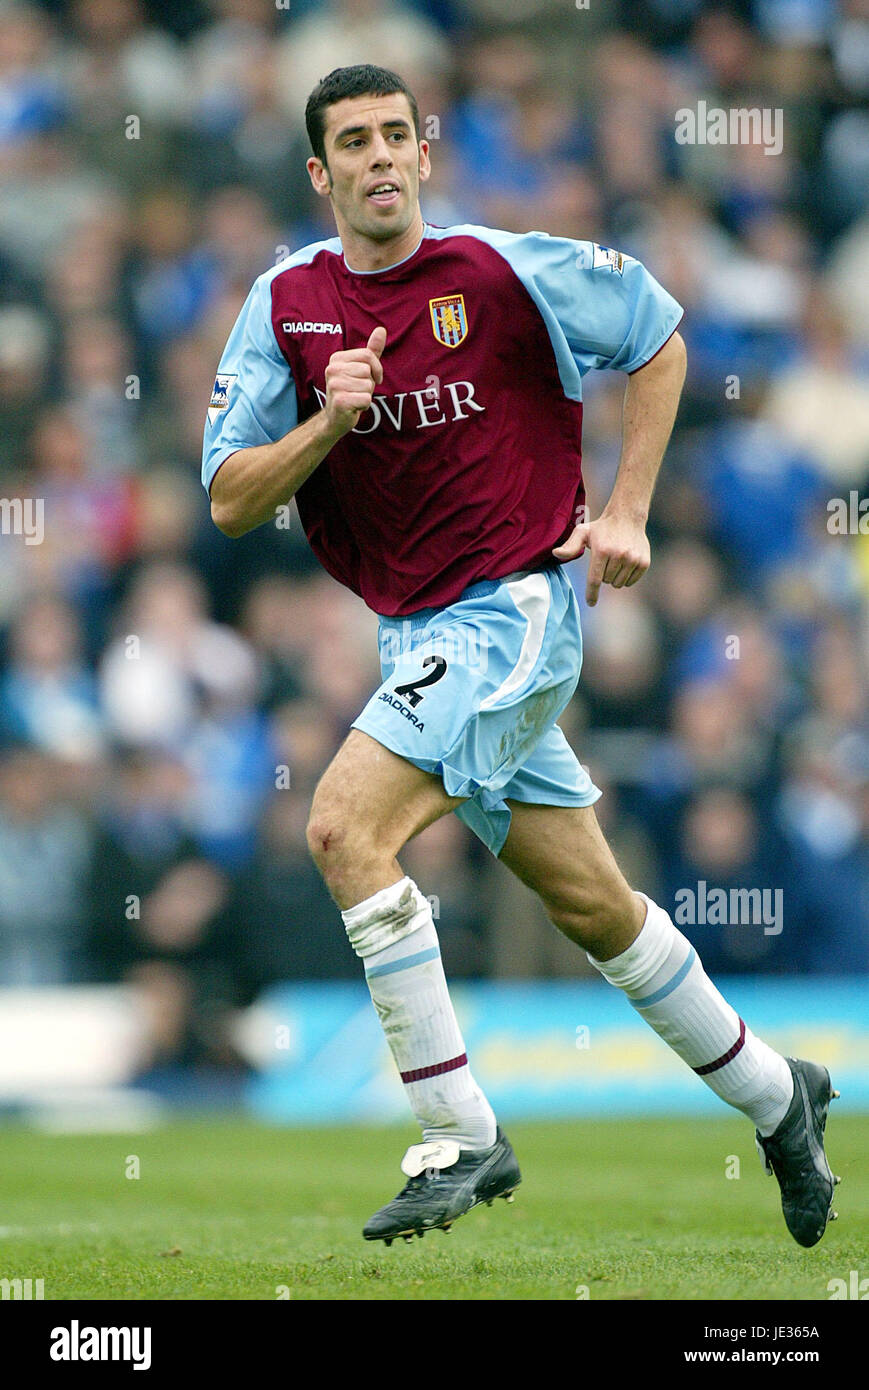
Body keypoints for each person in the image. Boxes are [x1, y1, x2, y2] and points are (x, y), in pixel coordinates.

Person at [201, 64, 839, 1248]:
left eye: (398, 134)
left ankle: (456, 1129)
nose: (381, 157)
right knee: (593, 905)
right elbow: (230, 499)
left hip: (514, 612)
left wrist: (631, 509)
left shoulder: (502, 272)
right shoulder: (284, 305)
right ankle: (775, 1094)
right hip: (416, 633)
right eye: (355, 142)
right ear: (319, 173)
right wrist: (327, 419)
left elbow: (657, 335)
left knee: (344, 826)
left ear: (423, 155)